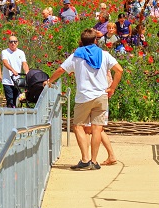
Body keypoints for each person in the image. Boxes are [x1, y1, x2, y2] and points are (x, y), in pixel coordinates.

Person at [46, 28, 123, 170]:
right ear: (95, 41)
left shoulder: (77, 55)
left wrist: (49, 81)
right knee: (97, 128)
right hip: (101, 96)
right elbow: (119, 70)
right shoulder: (104, 55)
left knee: (78, 126)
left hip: (84, 97)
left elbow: (61, 70)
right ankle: (94, 161)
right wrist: (112, 88)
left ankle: (85, 159)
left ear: (82, 41)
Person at [0, 33, 29, 108]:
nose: (13, 43)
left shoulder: (21, 53)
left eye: (15, 42)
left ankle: (16, 115)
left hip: (17, 81)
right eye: (11, 42)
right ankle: (10, 114)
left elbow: (24, 64)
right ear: (8, 43)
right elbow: (5, 63)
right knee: (10, 100)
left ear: (17, 43)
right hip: (7, 80)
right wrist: (12, 70)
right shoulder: (5, 52)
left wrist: (28, 73)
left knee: (18, 100)